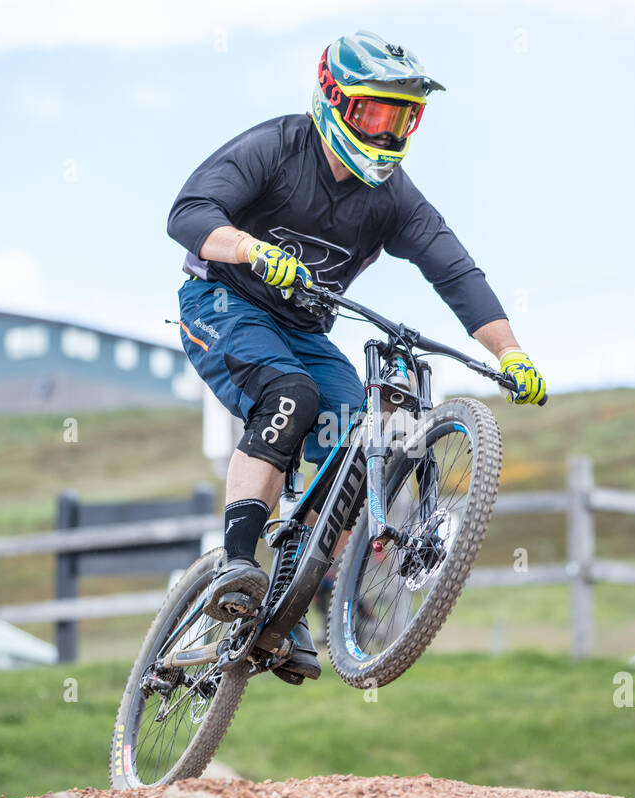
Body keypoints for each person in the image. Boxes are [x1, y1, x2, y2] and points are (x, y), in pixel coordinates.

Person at [167, 30, 546, 679]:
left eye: (403, 117)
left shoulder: (392, 195)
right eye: (376, 112)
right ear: (335, 101)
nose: (388, 131)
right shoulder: (278, 147)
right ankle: (235, 565)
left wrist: (510, 353)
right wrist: (251, 250)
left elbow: (454, 271)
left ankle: (288, 602)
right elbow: (188, 211)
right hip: (223, 304)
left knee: (353, 437)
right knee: (292, 397)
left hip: (305, 331)